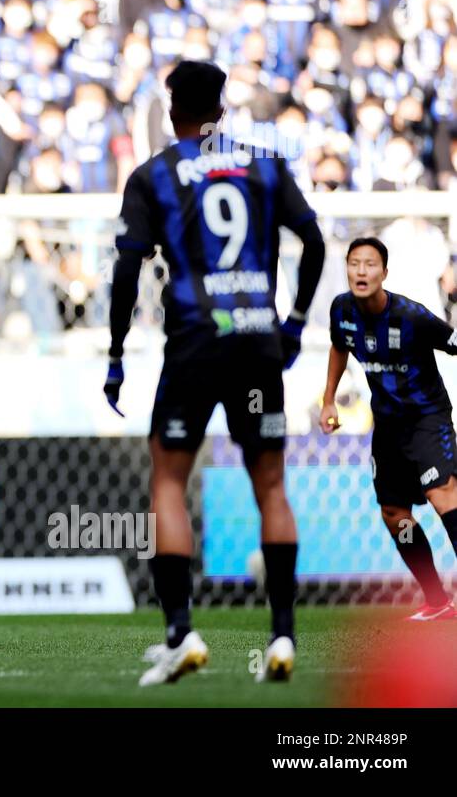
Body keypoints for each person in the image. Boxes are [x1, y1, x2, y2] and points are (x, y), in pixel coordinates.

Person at [104, 60, 326, 686]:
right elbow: (315, 241)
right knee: (271, 485)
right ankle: (282, 637)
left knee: (169, 479)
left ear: (172, 113)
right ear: (222, 110)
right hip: (257, 338)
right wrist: (295, 322)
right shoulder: (264, 165)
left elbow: (127, 268)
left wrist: (117, 352)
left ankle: (182, 634)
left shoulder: (155, 175)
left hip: (197, 341)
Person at [320, 237, 457, 621]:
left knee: (442, 494)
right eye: (354, 264)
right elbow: (338, 346)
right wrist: (329, 398)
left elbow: (452, 342)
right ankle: (437, 600)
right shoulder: (342, 310)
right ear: (346, 268)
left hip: (427, 419)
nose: (361, 271)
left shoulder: (411, 316)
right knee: (395, 513)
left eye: (370, 265)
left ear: (384, 272)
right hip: (388, 426)